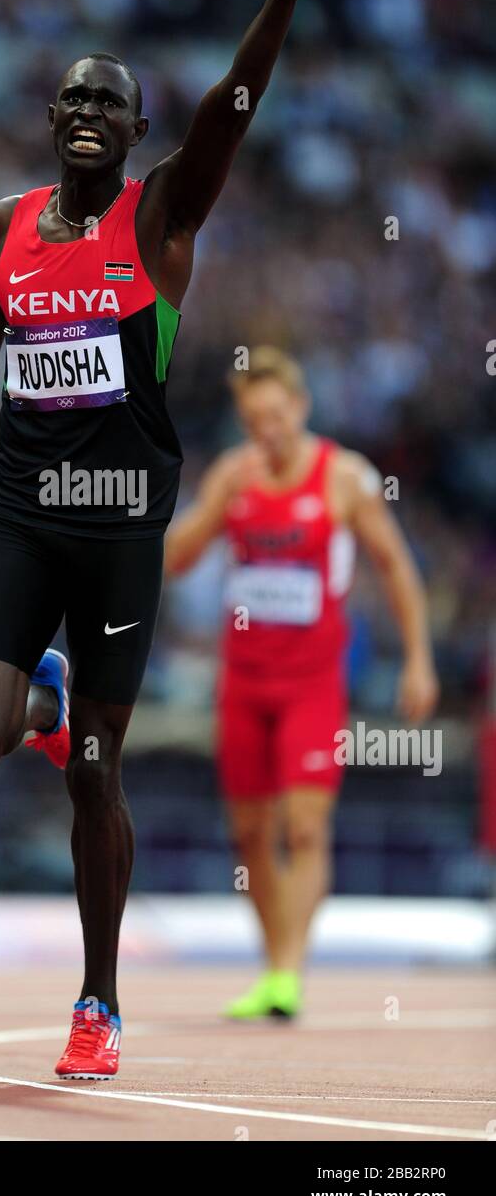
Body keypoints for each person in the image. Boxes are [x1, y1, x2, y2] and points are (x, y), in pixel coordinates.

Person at [0, 0, 324, 1077]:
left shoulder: (164, 216)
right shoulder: (3, 229)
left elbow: (233, 113)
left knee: (98, 767)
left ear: (139, 130)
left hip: (127, 532)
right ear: (49, 119)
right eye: (71, 97)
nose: (89, 113)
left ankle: (98, 1003)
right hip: (25, 515)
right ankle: (39, 691)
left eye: (110, 102)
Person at [165, 346, 439, 1019]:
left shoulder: (343, 478)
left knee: (306, 827)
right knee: (251, 833)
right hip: (244, 682)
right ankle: (273, 965)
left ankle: (287, 972)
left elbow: (395, 567)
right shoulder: (234, 474)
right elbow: (172, 561)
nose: (268, 429)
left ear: (301, 407)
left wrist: (417, 659)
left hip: (313, 685)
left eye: (277, 415)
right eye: (254, 418)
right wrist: (213, 509)